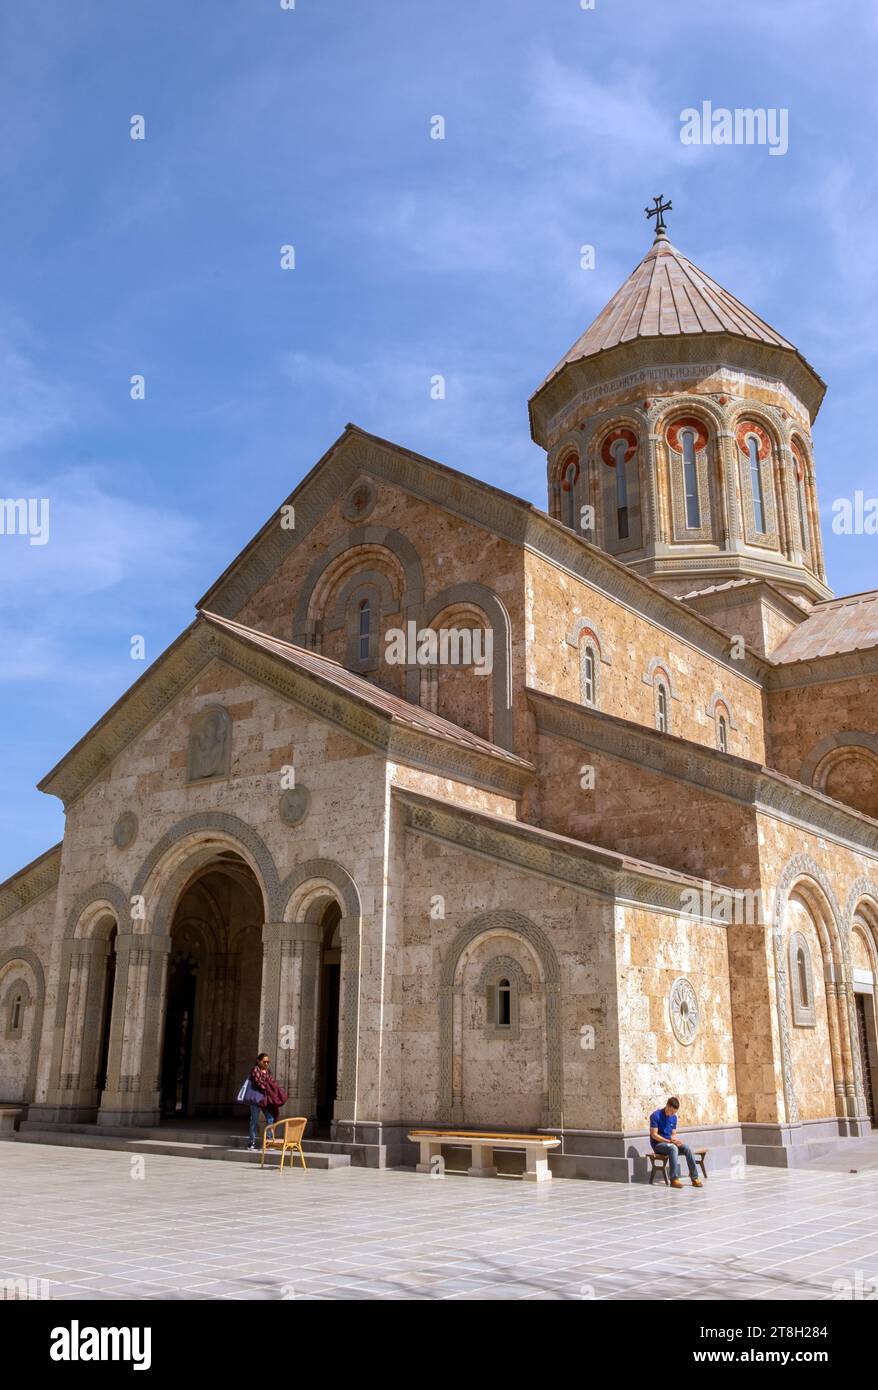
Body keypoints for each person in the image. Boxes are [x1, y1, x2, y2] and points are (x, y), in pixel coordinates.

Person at [648, 1096, 702, 1188]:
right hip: (658, 1145)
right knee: (673, 1148)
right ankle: (674, 1179)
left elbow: (673, 1134)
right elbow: (654, 1135)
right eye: (672, 1112)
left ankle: (694, 1178)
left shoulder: (674, 1118)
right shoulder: (655, 1116)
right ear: (667, 1106)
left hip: (670, 1143)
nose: (672, 1114)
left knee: (687, 1148)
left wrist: (675, 1140)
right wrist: (669, 1141)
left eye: (674, 1113)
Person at [246, 1052, 287, 1152]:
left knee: (270, 1119)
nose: (266, 1064)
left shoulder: (268, 1071)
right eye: (264, 1061)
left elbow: (271, 1083)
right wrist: (269, 1087)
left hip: (265, 1100)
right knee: (254, 1121)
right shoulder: (255, 1069)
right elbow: (259, 1083)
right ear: (259, 1061)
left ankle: (267, 1142)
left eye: (268, 1062)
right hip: (256, 1099)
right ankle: (251, 1143)